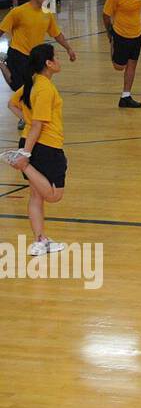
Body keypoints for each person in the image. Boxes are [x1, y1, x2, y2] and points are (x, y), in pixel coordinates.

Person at [1, 44, 68, 257]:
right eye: (56, 57)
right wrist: (26, 155)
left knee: (36, 197)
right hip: (45, 146)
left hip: (31, 141)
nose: (59, 60)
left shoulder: (33, 83)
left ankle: (40, 241)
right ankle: (21, 163)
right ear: (48, 63)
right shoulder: (45, 88)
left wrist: (26, 122)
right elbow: (38, 124)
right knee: (54, 195)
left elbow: (13, 104)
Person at [0, 0, 77, 116]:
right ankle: (2, 63)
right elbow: (1, 30)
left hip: (36, 56)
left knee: (32, 88)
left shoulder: (47, 14)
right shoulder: (18, 12)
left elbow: (56, 34)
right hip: (19, 53)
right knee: (18, 86)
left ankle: (26, 117)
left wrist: (69, 48)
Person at [102, 0, 141, 108]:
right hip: (121, 34)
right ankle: (113, 46)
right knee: (119, 66)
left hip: (137, 34)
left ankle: (126, 96)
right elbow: (106, 15)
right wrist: (110, 33)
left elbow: (138, 12)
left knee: (132, 64)